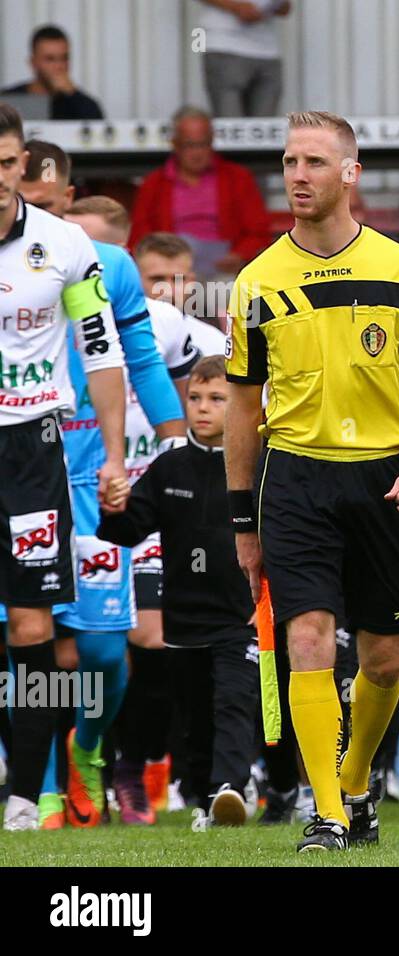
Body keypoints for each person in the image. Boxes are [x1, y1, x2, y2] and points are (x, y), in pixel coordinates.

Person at [225, 111, 399, 852]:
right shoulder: (257, 280)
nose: (298, 176)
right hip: (295, 476)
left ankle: (356, 781)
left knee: (386, 656)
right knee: (308, 640)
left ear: (351, 173)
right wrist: (241, 520)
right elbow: (241, 408)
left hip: (388, 478)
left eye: (315, 163)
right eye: (290, 163)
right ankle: (323, 808)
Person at [14, 141, 187, 830]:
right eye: (40, 207)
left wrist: (177, 444)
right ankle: (43, 789)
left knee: (101, 652)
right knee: (29, 639)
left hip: (89, 475)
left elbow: (140, 357)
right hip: (20, 462)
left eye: (60, 208)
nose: (52, 222)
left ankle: (88, 746)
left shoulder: (102, 264)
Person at [0, 106, 127, 831]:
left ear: (24, 164)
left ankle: (28, 796)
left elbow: (103, 351)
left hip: (31, 446)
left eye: (7, 162)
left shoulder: (66, 245)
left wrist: (113, 455)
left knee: (31, 624)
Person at [97, 355, 261, 824]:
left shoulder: (263, 465)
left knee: (234, 701)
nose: (203, 408)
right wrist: (111, 506)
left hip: (242, 618)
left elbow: (285, 538)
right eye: (195, 398)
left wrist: (271, 601)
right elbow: (127, 531)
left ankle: (232, 787)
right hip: (184, 621)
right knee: (194, 718)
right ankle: (206, 800)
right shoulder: (168, 468)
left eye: (217, 399)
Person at [128, 107, 271, 277]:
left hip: (224, 269)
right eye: (189, 145)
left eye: (202, 144)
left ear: (212, 143)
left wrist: (238, 255)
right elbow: (140, 235)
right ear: (175, 145)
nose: (197, 153)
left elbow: (258, 231)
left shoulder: (238, 178)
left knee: (226, 295)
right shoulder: (154, 184)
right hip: (170, 270)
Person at [195, 0, 291, 117]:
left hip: (267, 50)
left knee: (264, 129)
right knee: (230, 127)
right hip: (225, 44)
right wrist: (235, 7)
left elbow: (285, 9)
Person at [1, 25, 103, 120]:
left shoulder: (83, 104)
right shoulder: (9, 101)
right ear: (33, 63)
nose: (59, 66)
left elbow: (96, 128)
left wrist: (73, 94)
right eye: (50, 59)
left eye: (64, 58)